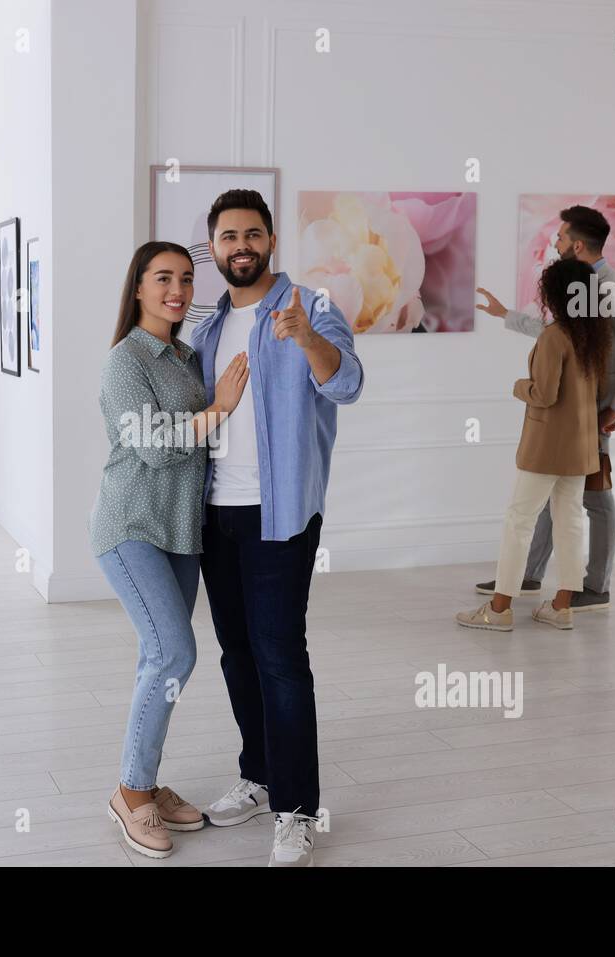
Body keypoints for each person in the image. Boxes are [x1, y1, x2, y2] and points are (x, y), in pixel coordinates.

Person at [189, 189, 364, 867]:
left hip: (280, 515)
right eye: (229, 236)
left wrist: (307, 339)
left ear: (270, 241)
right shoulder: (206, 329)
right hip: (215, 514)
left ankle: (297, 809)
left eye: (252, 234)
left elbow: (346, 384)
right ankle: (259, 778)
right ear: (214, 247)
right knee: (237, 653)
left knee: (280, 656)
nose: (241, 245)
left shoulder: (310, 308)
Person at [90, 241, 250, 860]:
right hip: (131, 527)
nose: (177, 289)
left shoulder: (186, 355)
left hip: (181, 533)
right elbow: (155, 448)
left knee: (156, 663)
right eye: (163, 278)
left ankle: (146, 781)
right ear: (138, 288)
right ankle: (131, 795)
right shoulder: (125, 360)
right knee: (173, 654)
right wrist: (219, 410)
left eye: (186, 278)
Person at [475, 205, 615, 610]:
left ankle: (596, 586)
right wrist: (507, 315)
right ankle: (529, 574)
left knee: (593, 497)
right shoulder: (580, 285)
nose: (554, 244)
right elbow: (560, 337)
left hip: (592, 411)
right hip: (571, 406)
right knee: (552, 489)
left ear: (576, 244)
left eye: (559, 238)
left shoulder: (609, 286)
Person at [456, 257, 612, 633]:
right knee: (570, 521)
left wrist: (517, 386)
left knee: (518, 522)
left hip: (546, 448)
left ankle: (499, 609)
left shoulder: (554, 337)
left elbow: (543, 394)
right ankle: (561, 607)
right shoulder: (593, 336)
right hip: (581, 446)